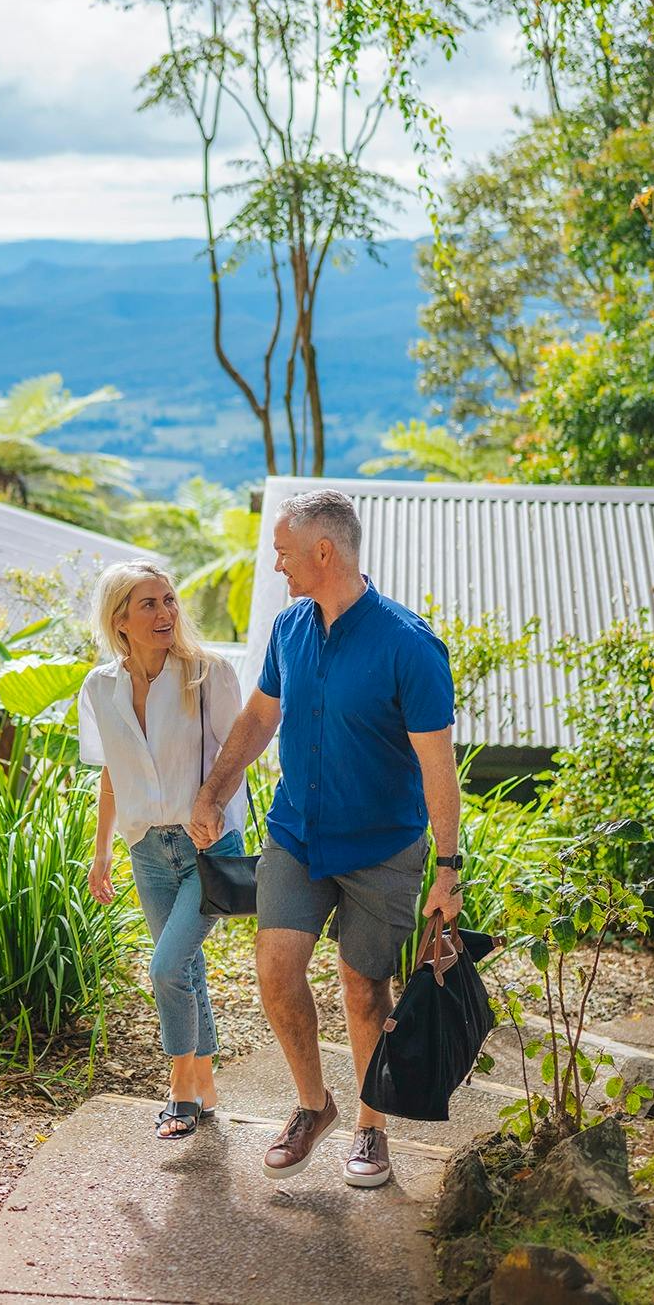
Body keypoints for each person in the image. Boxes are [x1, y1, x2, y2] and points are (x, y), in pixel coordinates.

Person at [189, 489, 462, 1190]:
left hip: (382, 849)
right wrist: (213, 791)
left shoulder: (410, 644)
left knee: (365, 988)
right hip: (297, 838)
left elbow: (438, 767)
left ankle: (372, 1126)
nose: (275, 562)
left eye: (283, 550)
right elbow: (257, 718)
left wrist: (448, 867)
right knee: (277, 971)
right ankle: (316, 1105)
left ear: (323, 551)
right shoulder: (289, 629)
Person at [80, 559, 250, 1141]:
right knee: (186, 967)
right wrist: (101, 853)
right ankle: (205, 1089)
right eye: (149, 604)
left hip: (208, 846)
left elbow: (239, 751)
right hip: (146, 850)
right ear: (119, 617)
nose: (165, 613)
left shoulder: (208, 674)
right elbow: (112, 774)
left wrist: (211, 803)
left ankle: (179, 1090)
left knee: (166, 967)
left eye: (169, 600)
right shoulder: (100, 687)